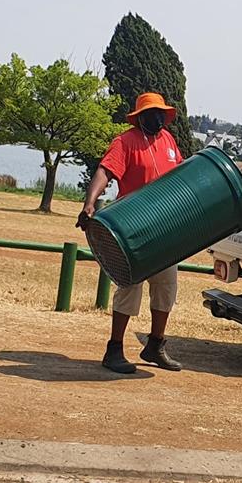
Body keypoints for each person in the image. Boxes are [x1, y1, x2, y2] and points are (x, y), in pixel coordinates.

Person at [76, 92, 183, 374]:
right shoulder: (125, 142)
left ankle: (155, 345)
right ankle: (114, 349)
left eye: (160, 114)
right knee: (129, 286)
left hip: (166, 228)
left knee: (166, 286)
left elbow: (181, 177)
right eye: (150, 114)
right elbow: (105, 172)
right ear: (140, 117)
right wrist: (89, 203)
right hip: (134, 226)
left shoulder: (169, 141)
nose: (156, 118)